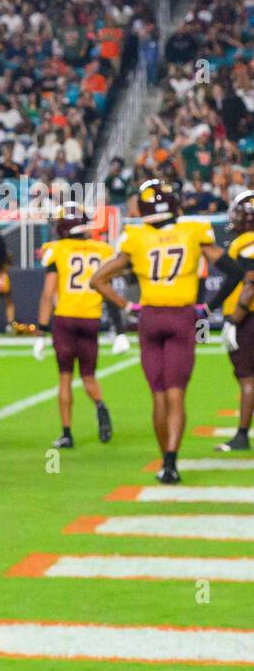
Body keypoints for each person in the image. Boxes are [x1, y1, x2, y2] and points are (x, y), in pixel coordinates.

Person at [90, 179, 246, 482]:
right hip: (182, 318)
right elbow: (235, 272)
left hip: (149, 318)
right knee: (176, 395)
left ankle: (164, 461)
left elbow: (97, 280)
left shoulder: (135, 237)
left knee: (158, 395)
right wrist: (209, 307)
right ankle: (172, 462)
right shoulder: (192, 232)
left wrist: (126, 307)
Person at [33, 201, 117, 447]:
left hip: (66, 318)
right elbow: (110, 286)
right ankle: (100, 406)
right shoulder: (102, 250)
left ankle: (67, 433)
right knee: (89, 376)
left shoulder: (57, 250)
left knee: (65, 377)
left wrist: (41, 330)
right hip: (91, 319)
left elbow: (48, 294)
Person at [217, 191, 254, 451]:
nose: (235, 218)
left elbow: (250, 281)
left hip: (248, 317)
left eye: (240, 213)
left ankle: (241, 435)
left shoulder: (247, 242)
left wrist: (234, 318)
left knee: (247, 379)